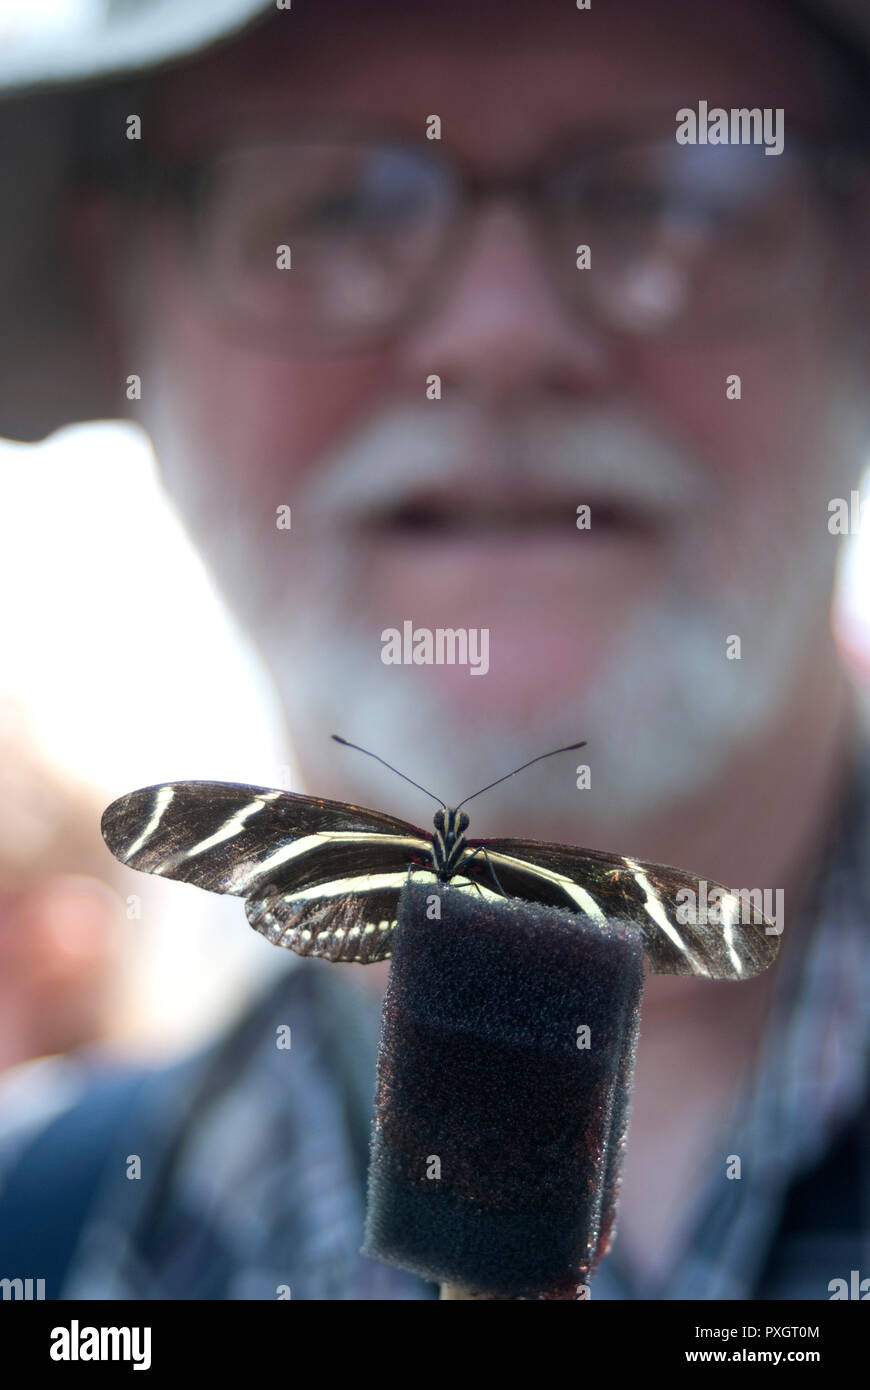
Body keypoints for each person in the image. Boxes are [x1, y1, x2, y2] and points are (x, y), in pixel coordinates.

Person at [1, 0, 869, 1300]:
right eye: (334, 207)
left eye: (674, 195)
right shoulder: (49, 1237)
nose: (498, 336)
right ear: (125, 303)